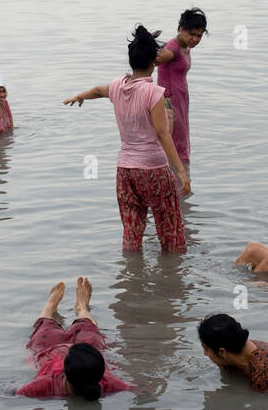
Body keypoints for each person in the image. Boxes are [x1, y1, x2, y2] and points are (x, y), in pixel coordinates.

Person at [64, 24, 190, 252]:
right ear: (154, 62)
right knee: (170, 231)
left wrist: (80, 96)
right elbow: (162, 134)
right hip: (154, 170)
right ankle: (173, 272)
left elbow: (98, 90)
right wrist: (181, 171)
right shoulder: (154, 93)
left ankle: (132, 271)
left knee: (132, 232)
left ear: (131, 61)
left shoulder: (117, 86)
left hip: (125, 171)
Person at [0, 277, 132, 403]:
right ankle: (81, 308)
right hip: (87, 352)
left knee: (45, 326)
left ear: (64, 374)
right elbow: (138, 390)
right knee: (88, 328)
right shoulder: (108, 383)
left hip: (48, 352)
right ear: (101, 374)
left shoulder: (47, 385)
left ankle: (51, 308)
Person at [156, 7, 207, 189]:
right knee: (172, 142)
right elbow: (151, 61)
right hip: (169, 102)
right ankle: (175, 185)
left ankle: (178, 186)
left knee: (180, 140)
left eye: (199, 36)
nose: (195, 39)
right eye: (192, 34)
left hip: (181, 101)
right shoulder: (173, 48)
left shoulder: (184, 47)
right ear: (180, 29)